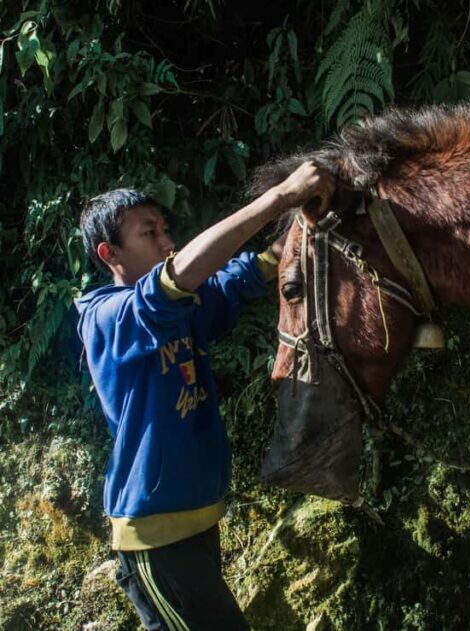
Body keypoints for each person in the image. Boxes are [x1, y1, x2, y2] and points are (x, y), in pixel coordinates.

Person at [75, 162, 334, 630]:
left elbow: (238, 277)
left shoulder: (181, 308)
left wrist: (299, 228)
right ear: (109, 253)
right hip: (154, 536)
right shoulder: (109, 318)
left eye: (165, 229)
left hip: (195, 518)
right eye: (148, 233)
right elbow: (178, 277)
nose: (166, 241)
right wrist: (279, 198)